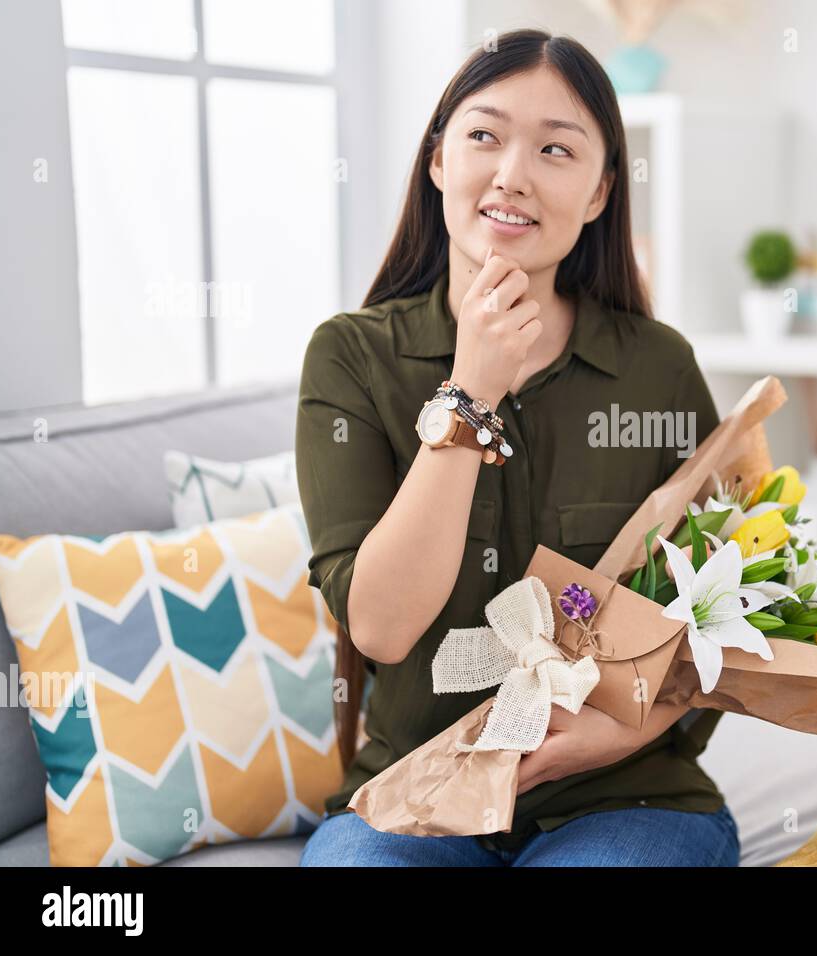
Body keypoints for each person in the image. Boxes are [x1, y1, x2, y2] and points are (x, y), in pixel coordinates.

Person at [295, 28, 741, 867]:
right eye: (484, 135)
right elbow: (383, 629)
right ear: (437, 162)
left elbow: (729, 618)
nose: (512, 175)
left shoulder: (658, 369)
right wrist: (471, 393)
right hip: (415, 799)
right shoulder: (351, 358)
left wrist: (618, 734)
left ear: (602, 191)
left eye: (555, 150)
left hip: (625, 800)